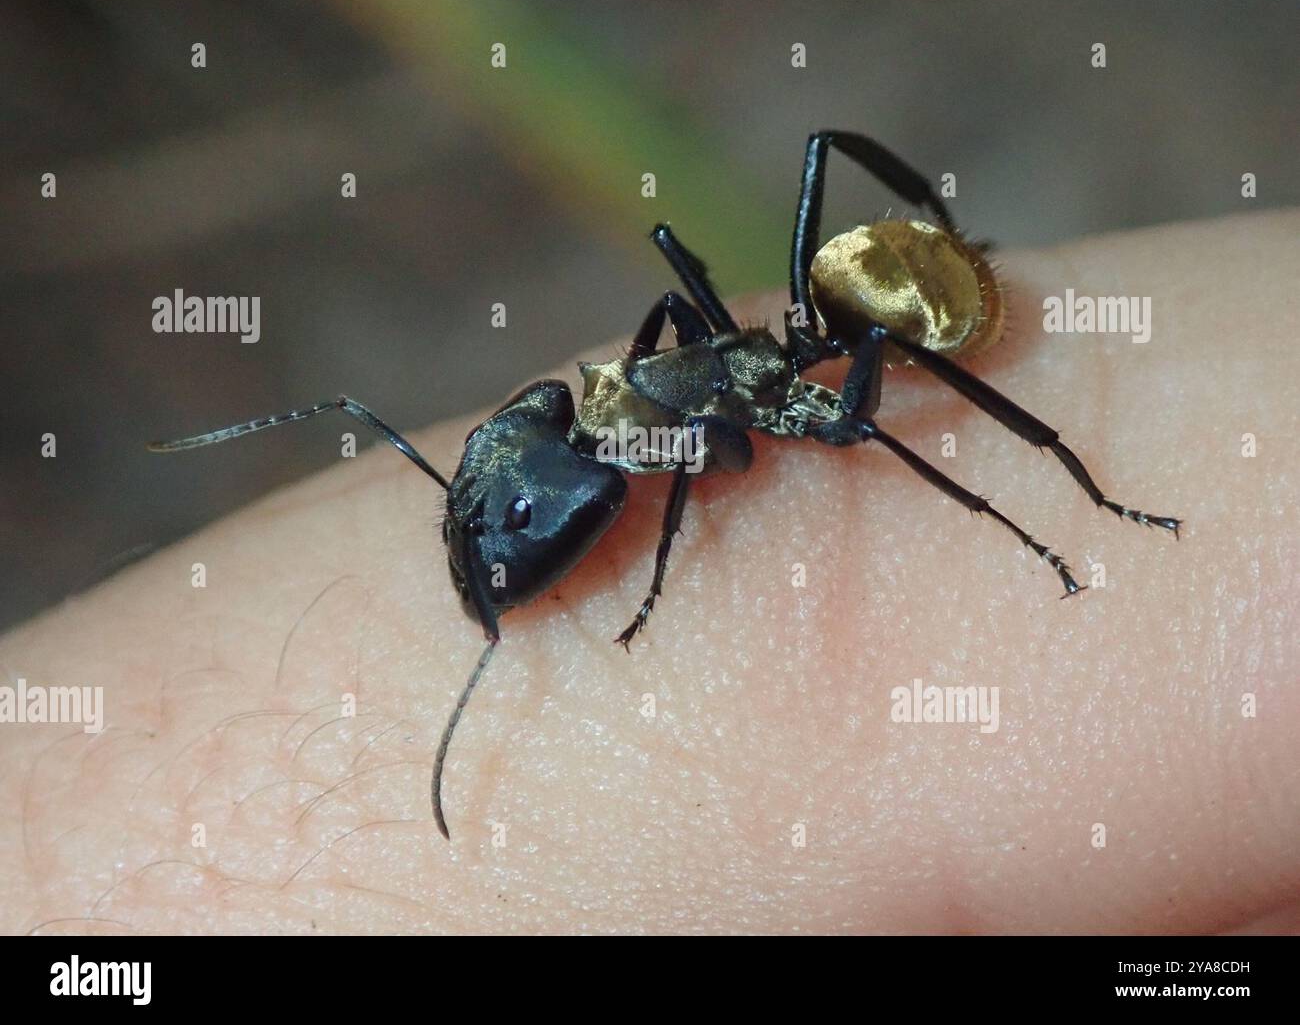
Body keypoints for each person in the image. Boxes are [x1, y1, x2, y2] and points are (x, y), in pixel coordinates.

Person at [2, 211, 1296, 934]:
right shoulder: (639, 409)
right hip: (768, 348)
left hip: (903, 311)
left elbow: (688, 455)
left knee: (868, 417)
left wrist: (1053, 515)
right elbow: (646, 444)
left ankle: (1075, 482)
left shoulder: (694, 411)